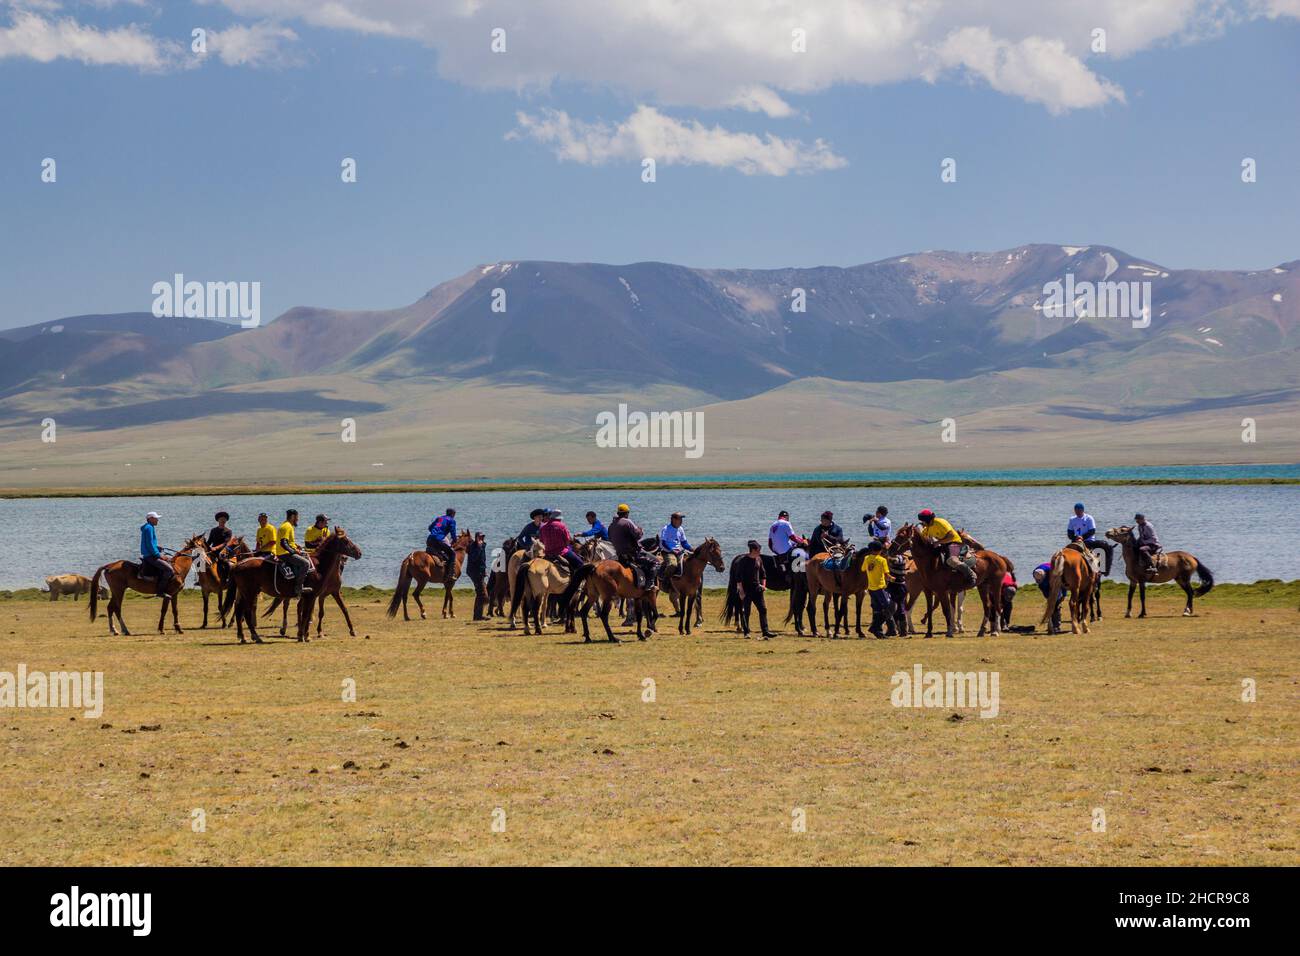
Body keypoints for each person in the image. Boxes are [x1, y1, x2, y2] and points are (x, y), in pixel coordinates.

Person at [916, 509, 975, 585]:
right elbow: (924, 535)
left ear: (927, 520)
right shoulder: (928, 527)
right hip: (944, 544)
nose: (922, 523)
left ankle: (971, 575)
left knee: (951, 560)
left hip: (955, 542)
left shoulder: (940, 522)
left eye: (923, 521)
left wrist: (938, 542)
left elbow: (951, 536)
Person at [609, 503, 655, 589]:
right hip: (633, 554)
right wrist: (640, 530)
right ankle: (649, 585)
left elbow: (610, 538)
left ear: (618, 513)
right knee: (654, 563)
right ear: (627, 513)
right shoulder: (628, 522)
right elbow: (638, 535)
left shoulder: (611, 525)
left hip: (619, 554)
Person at [735, 539, 775, 639]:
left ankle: (765, 631)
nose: (759, 552)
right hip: (746, 590)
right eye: (758, 550)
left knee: (763, 609)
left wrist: (763, 586)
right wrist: (741, 591)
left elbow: (763, 574)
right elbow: (738, 577)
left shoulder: (759, 559)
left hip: (757, 590)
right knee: (746, 612)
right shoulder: (743, 561)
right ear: (752, 550)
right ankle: (746, 632)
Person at [1067, 502, 1113, 576]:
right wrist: (1076, 538)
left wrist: (1082, 537)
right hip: (1076, 542)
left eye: (1079, 511)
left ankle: (1104, 569)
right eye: (1076, 511)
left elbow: (1092, 531)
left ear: (1082, 510)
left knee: (1106, 546)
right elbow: (1069, 533)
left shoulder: (1088, 518)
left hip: (1089, 541)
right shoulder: (1072, 519)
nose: (1077, 512)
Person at [276, 509, 312, 597]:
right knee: (306, 563)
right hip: (284, 554)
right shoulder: (287, 526)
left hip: (285, 552)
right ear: (292, 517)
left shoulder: (287, 525)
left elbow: (288, 541)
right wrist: (293, 551)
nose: (298, 519)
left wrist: (296, 546)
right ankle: (298, 587)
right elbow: (283, 543)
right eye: (297, 517)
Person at [862, 540, 892, 638]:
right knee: (889, 608)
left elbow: (863, 569)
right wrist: (893, 578)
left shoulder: (866, 558)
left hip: (871, 588)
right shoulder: (882, 560)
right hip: (880, 588)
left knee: (878, 610)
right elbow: (887, 575)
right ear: (880, 550)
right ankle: (874, 627)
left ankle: (878, 631)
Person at [539, 509, 584, 574]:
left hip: (548, 553)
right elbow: (568, 540)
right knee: (580, 563)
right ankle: (577, 582)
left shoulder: (543, 527)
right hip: (561, 552)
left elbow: (542, 541)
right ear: (559, 518)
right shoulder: (561, 525)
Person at [139, 511, 173, 593]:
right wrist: (159, 555)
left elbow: (150, 543)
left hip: (150, 554)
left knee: (169, 561)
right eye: (156, 518)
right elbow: (149, 544)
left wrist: (157, 547)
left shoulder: (149, 527)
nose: (158, 520)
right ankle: (160, 591)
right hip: (150, 556)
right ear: (150, 519)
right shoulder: (149, 528)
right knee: (169, 570)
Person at [659, 512, 691, 581]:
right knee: (673, 565)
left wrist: (691, 548)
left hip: (679, 551)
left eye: (681, 519)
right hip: (668, 552)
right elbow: (663, 543)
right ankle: (665, 580)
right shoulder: (666, 529)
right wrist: (672, 550)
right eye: (680, 519)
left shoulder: (681, 529)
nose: (681, 521)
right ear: (673, 519)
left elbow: (684, 543)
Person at [1032, 562, 1063, 630]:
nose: (1038, 581)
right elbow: (1042, 587)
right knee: (1051, 606)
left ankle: (1056, 626)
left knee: (1057, 606)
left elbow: (1061, 585)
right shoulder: (1036, 572)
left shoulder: (1053, 572)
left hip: (1057, 585)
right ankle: (1051, 624)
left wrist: (1062, 595)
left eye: (1040, 580)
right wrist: (1048, 597)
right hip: (1048, 585)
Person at [885, 555, 909, 636]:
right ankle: (903, 631)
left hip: (893, 586)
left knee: (891, 609)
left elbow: (891, 560)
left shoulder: (893, 561)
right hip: (902, 586)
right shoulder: (904, 562)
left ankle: (892, 629)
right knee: (901, 607)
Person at [467, 532, 489, 620]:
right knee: (482, 594)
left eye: (482, 537)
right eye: (479, 537)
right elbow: (474, 558)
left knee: (481, 593)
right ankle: (478, 616)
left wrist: (484, 571)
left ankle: (477, 615)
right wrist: (479, 548)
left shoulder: (482, 546)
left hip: (480, 572)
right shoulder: (474, 547)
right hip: (475, 573)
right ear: (476, 538)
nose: (481, 539)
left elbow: (482, 560)